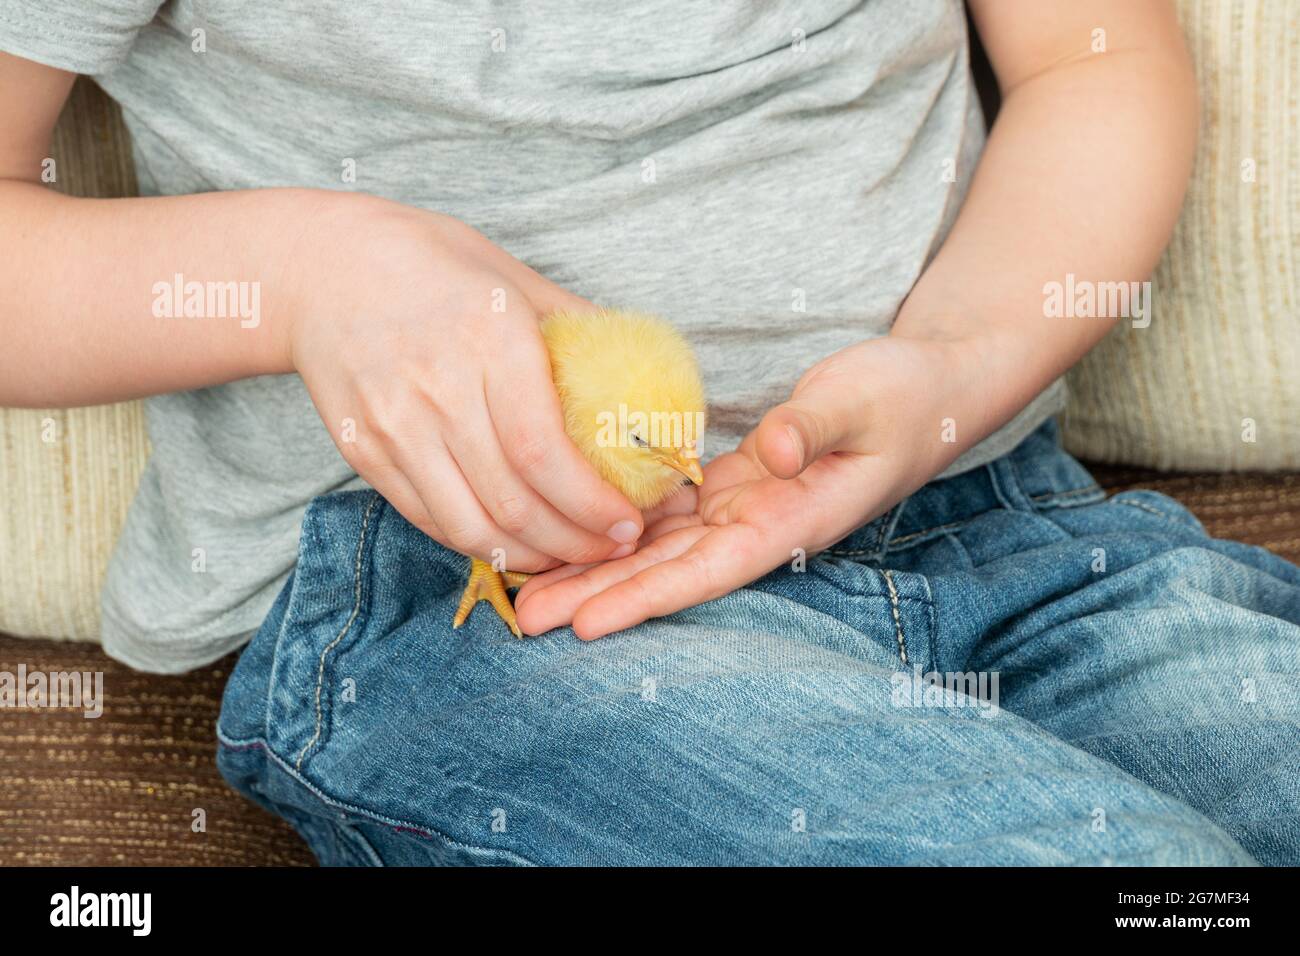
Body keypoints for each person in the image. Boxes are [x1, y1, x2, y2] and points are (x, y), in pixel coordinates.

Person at [1, 1, 1295, 865]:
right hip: (480, 604)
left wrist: (949, 370)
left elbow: (1094, 62)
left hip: (996, 519)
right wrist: (309, 279)